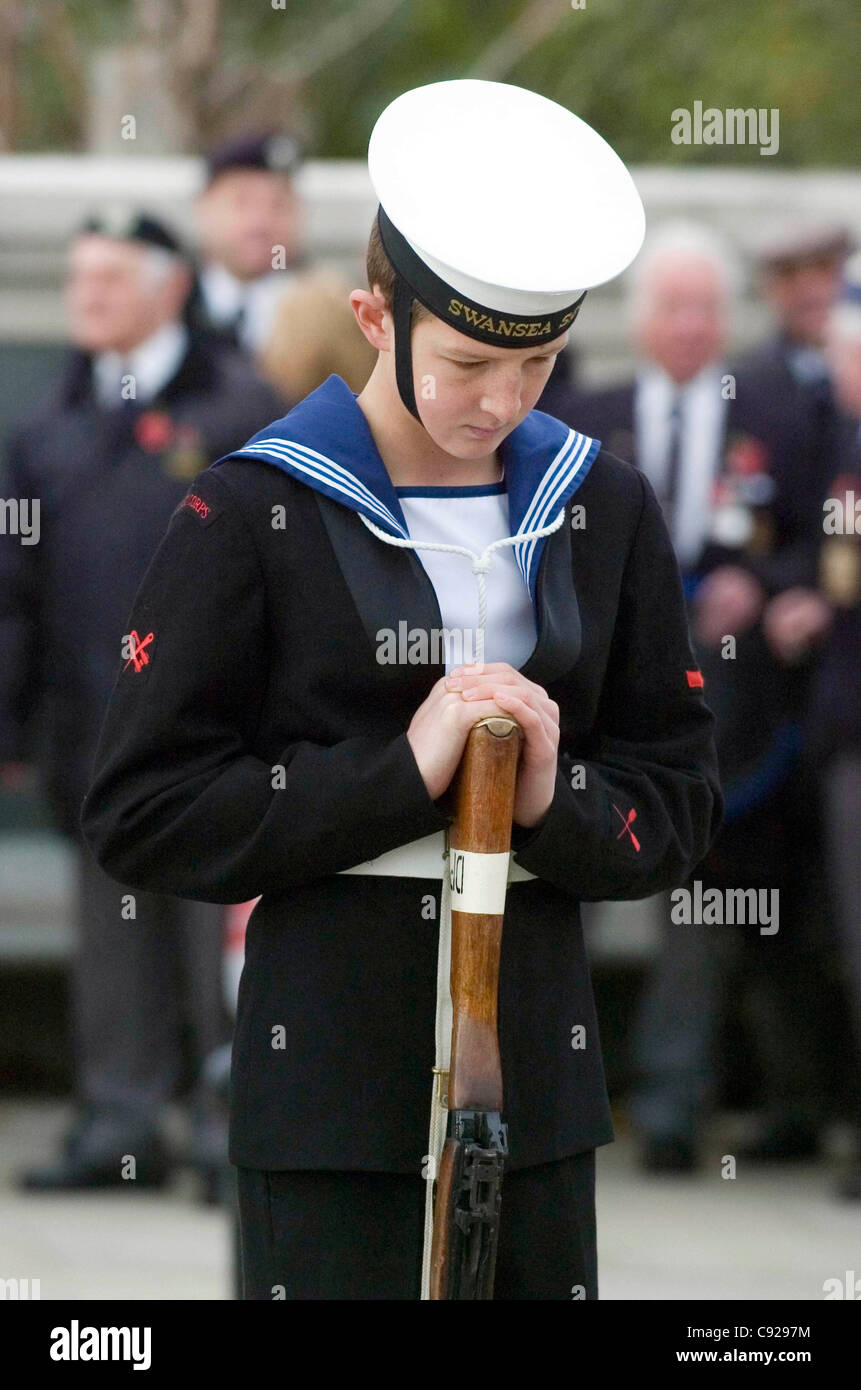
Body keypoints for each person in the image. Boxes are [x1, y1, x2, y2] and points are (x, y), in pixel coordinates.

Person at [80, 80, 721, 1300]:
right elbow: (142, 809)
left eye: (539, 362)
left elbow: (679, 802)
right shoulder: (252, 506)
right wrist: (401, 774)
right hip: (326, 1081)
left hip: (533, 1080)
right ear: (377, 314)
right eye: (471, 360)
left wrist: (552, 793)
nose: (504, 401)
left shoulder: (603, 505)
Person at [0, 210, 285, 1195]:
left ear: (168, 286)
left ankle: (231, 1123)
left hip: (224, 742)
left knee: (220, 942)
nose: (86, 295)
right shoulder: (47, 429)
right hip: (94, 739)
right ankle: (120, 1124)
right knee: (114, 942)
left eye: (109, 277)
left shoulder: (244, 409)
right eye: (78, 277)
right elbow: (14, 591)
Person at [188, 131, 309, 356]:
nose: (260, 222)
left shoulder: (322, 315)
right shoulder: (170, 309)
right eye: (242, 202)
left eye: (278, 204)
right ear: (203, 208)